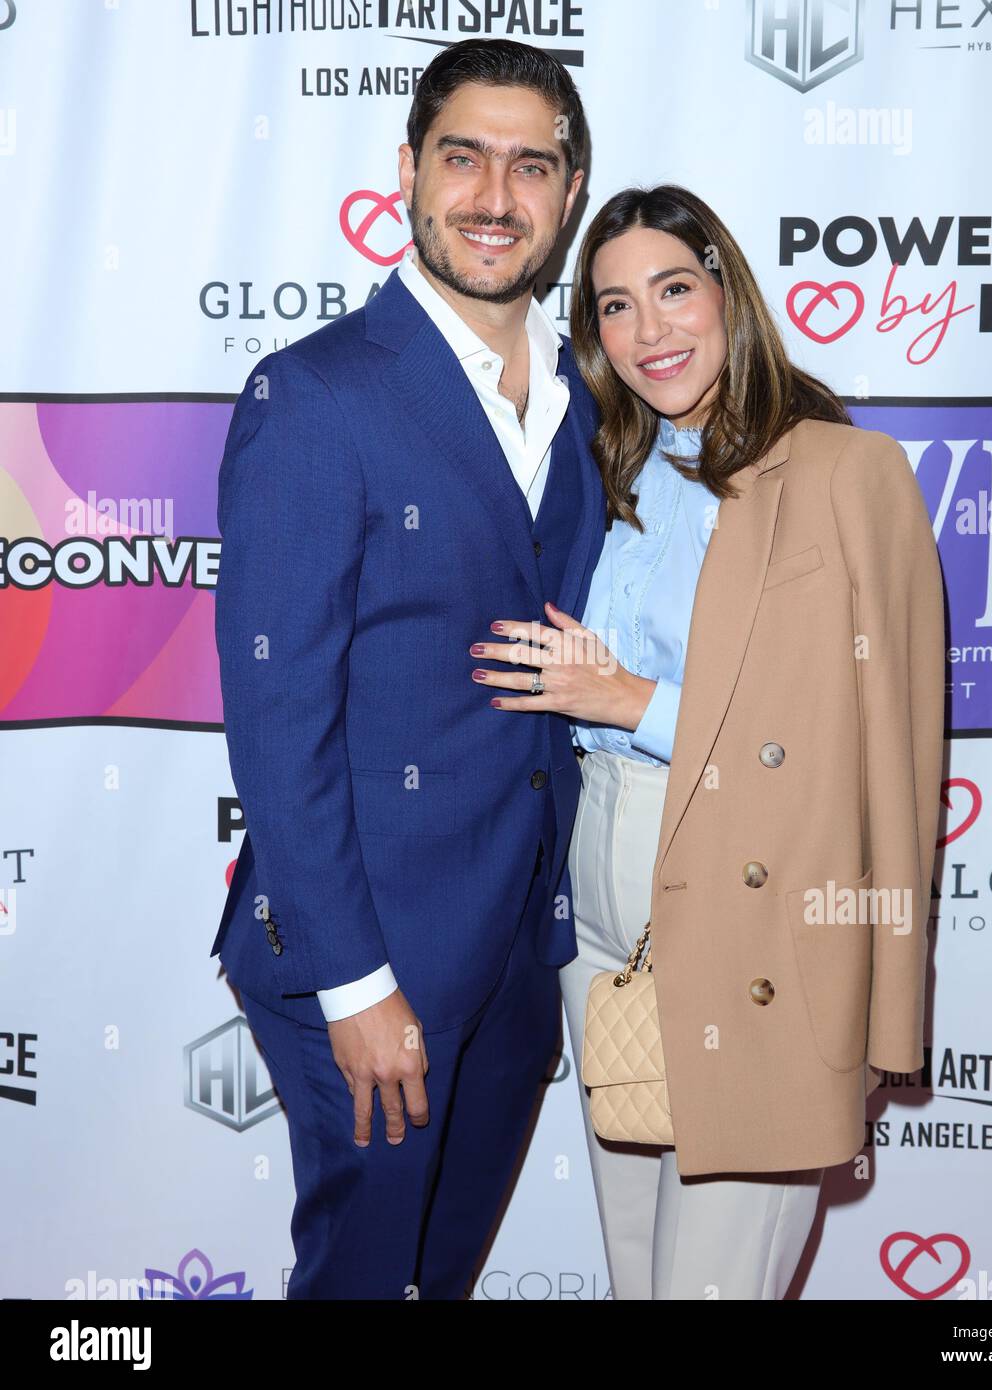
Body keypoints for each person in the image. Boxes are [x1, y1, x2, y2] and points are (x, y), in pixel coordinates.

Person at [468, 184, 946, 1299]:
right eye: (617, 307)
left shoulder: (843, 472)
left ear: (726, 290)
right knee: (636, 1276)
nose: (650, 332)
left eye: (674, 290)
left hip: (761, 915)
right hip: (599, 923)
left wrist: (635, 699)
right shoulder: (607, 473)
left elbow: (876, 750)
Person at [210, 39, 606, 1299]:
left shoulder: (589, 402)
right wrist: (356, 981)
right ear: (407, 172)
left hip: (514, 958)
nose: (495, 195)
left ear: (571, 188)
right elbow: (278, 717)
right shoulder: (318, 394)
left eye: (530, 164)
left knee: (437, 1281)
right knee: (364, 1284)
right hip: (369, 963)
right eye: (464, 157)